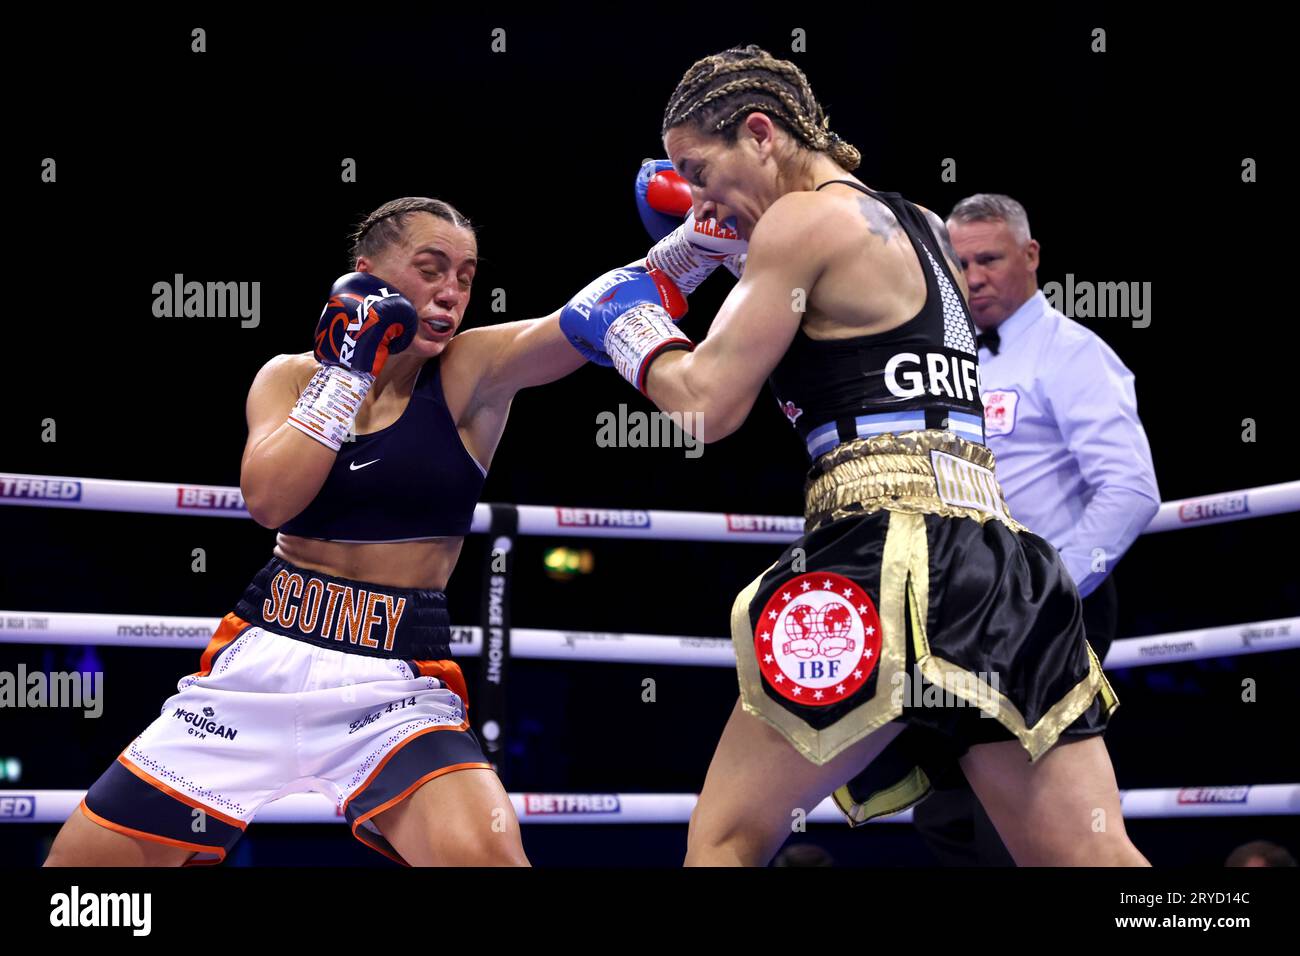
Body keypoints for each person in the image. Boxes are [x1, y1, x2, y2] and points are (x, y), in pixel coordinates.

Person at [560, 45, 1149, 866]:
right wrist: (707, 253)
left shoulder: (800, 223)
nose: (696, 197)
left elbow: (704, 406)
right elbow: (854, 331)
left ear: (761, 134)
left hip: (882, 556)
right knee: (1096, 859)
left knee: (727, 838)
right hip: (997, 566)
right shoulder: (924, 226)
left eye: (700, 169)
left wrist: (630, 328)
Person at [43, 197, 610, 867]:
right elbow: (271, 501)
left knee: (486, 855)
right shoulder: (287, 377)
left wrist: (695, 244)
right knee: (80, 886)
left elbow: (580, 323)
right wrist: (348, 373)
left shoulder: (470, 372)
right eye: (431, 269)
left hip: (394, 681)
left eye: (465, 275)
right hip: (260, 665)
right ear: (366, 273)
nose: (451, 293)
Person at [912, 193, 1161, 865]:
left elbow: (1131, 489)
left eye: (988, 258)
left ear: (1030, 256)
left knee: (1035, 825)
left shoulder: (1074, 353)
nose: (973, 277)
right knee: (949, 815)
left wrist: (1050, 586)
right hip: (958, 614)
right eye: (958, 263)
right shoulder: (946, 363)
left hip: (1044, 611)